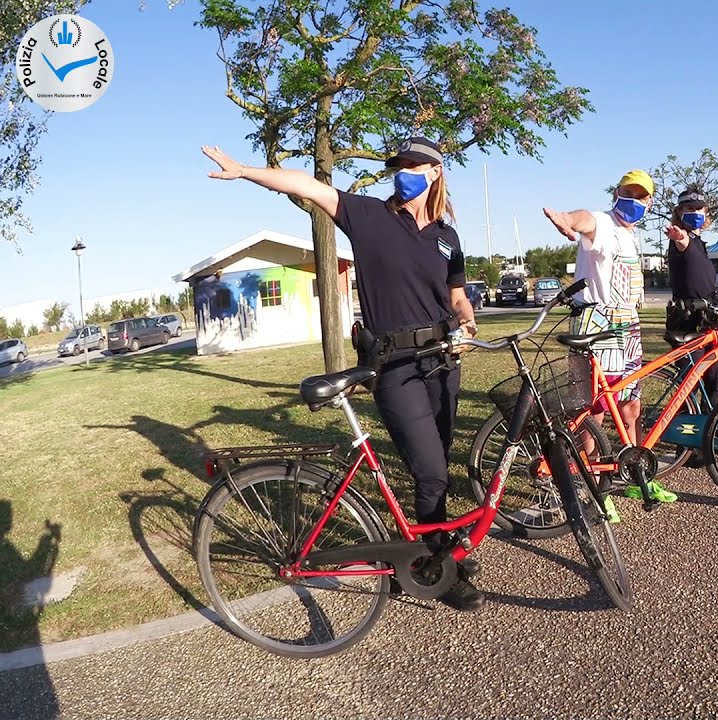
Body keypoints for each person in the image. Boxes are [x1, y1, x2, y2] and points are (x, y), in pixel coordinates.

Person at [202, 137, 484, 612]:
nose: (403, 172)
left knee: (436, 465)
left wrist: (468, 320)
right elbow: (310, 186)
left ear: (436, 172)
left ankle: (424, 553)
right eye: (398, 165)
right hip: (395, 367)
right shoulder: (370, 217)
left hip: (442, 361)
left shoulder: (447, 237)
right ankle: (431, 565)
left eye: (414, 165)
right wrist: (246, 170)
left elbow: (457, 294)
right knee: (431, 470)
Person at [542, 170, 676, 504]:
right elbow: (586, 220)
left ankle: (638, 477)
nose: (634, 201)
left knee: (631, 406)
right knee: (594, 411)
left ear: (650, 202)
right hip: (596, 323)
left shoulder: (631, 237)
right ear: (616, 193)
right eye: (627, 193)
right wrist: (567, 220)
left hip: (626, 326)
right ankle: (596, 487)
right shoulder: (605, 224)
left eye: (641, 196)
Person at [664, 188, 718, 401]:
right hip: (686, 321)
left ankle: (710, 426)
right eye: (690, 208)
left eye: (699, 208)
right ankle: (677, 427)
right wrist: (680, 237)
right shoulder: (681, 239)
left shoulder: (700, 243)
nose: (696, 212)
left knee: (716, 379)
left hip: (705, 321)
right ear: (680, 211)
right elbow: (683, 243)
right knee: (691, 383)